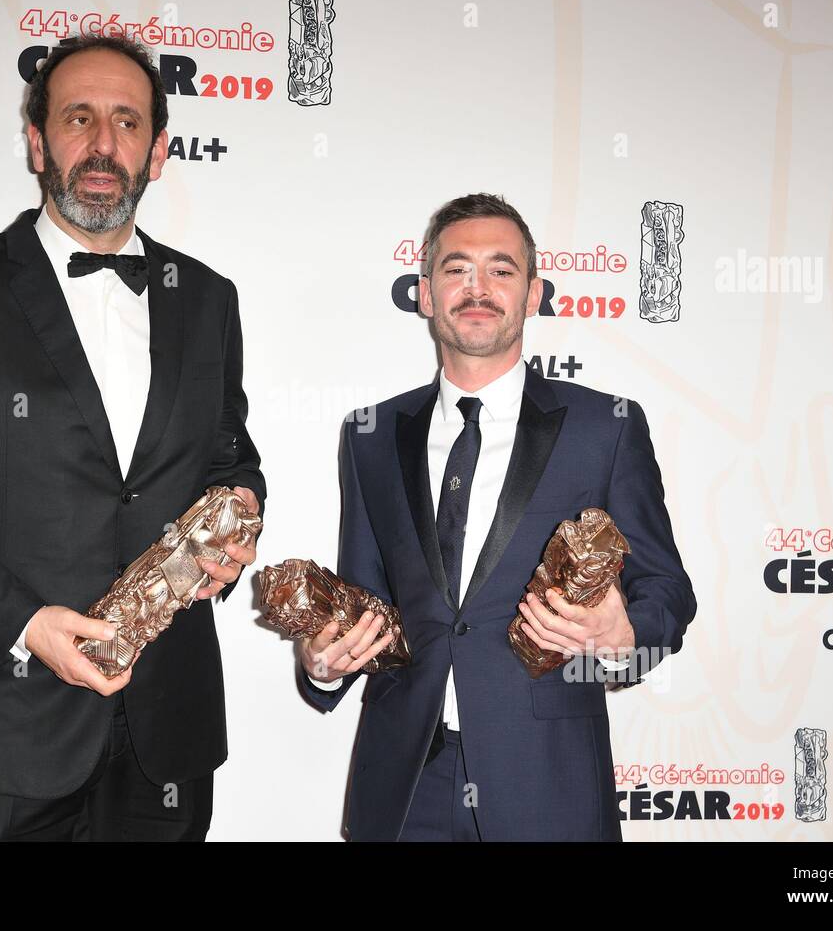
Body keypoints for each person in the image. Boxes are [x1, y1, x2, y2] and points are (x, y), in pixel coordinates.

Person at [0, 33, 265, 841]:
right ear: (37, 142)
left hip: (165, 739)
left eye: (127, 122)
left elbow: (227, 457)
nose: (104, 145)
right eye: (78, 118)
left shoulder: (208, 298)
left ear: (160, 149)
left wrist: (242, 507)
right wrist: (27, 624)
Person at [298, 193, 695, 841]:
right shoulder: (370, 434)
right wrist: (322, 662)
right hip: (405, 790)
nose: (476, 287)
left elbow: (666, 589)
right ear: (425, 293)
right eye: (456, 269)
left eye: (501, 270)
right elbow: (363, 602)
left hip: (547, 787)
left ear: (534, 292)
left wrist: (625, 636)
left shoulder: (606, 428)